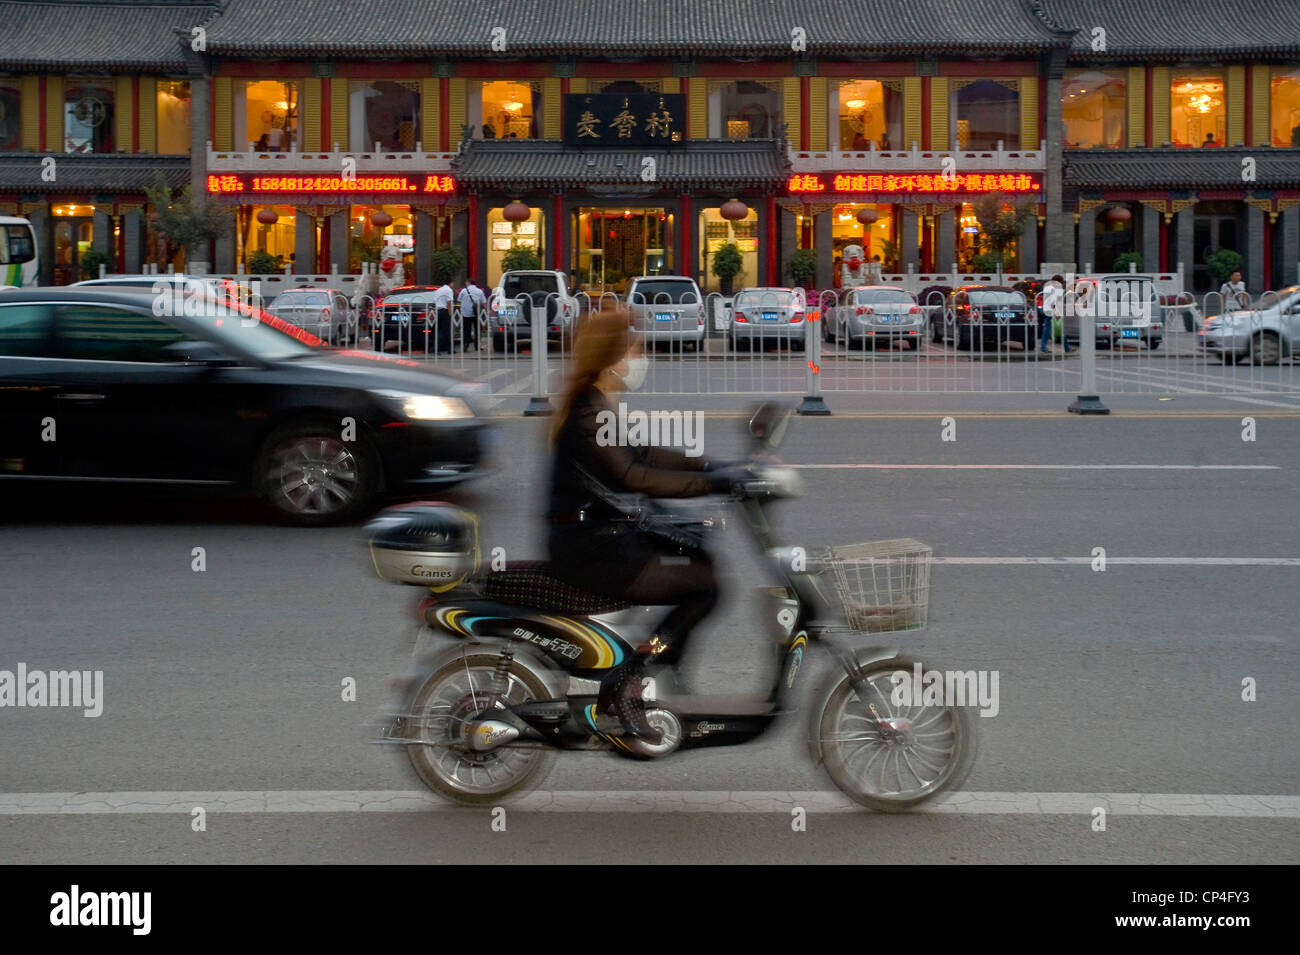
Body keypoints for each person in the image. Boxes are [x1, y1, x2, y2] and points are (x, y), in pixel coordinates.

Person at [546, 309, 749, 741]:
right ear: (612, 358)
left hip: (598, 537)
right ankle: (628, 684)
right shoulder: (589, 412)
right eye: (634, 349)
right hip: (589, 549)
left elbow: (646, 455)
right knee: (704, 585)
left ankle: (655, 671)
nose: (641, 357)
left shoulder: (595, 404)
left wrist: (717, 465)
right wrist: (712, 482)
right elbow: (633, 476)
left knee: (700, 562)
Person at [457, 277, 487, 350]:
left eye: (466, 282)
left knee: (466, 329)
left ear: (469, 283)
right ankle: (477, 346)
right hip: (476, 313)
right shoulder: (479, 291)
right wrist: (486, 311)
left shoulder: (464, 291)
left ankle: (465, 345)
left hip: (465, 313)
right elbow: (484, 303)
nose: (465, 284)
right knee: (477, 330)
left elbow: (459, 300)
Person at [1040, 274, 1067, 353]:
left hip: (1047, 310)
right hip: (1053, 311)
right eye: (1061, 282)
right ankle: (1066, 348)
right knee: (1060, 329)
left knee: (1048, 329)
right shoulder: (1055, 288)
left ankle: (1043, 347)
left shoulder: (1048, 287)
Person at [432, 277, 455, 353]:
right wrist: (449, 313)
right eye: (452, 283)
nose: (453, 284)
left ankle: (450, 349)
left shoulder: (439, 290)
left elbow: (435, 301)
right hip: (445, 311)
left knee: (443, 330)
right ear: (450, 283)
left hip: (438, 311)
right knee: (444, 331)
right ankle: (435, 349)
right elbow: (449, 302)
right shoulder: (448, 290)